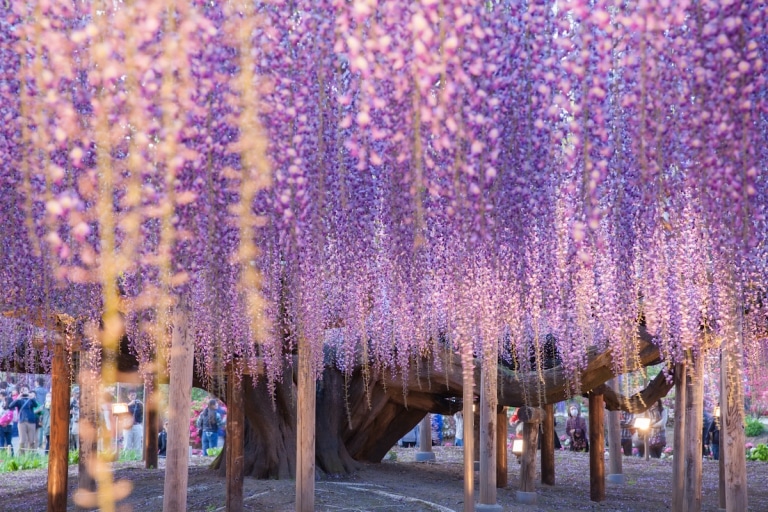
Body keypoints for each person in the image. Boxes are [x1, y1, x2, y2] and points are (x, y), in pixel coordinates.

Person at [8, 386, 39, 454]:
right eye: (23, 390)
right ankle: (21, 456)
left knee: (31, 441)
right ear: (20, 391)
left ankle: (31, 456)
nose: (24, 391)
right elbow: (10, 406)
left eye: (26, 390)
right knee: (22, 440)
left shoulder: (30, 400)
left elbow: (36, 405)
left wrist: (31, 397)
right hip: (22, 421)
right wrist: (18, 398)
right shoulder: (19, 400)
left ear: (28, 390)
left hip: (31, 421)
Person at [0, 390, 14, 455]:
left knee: (1, 441)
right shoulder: (12, 408)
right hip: (10, 425)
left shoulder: (2, 406)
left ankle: (2, 455)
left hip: (2, 425)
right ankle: (12, 455)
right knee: (9, 442)